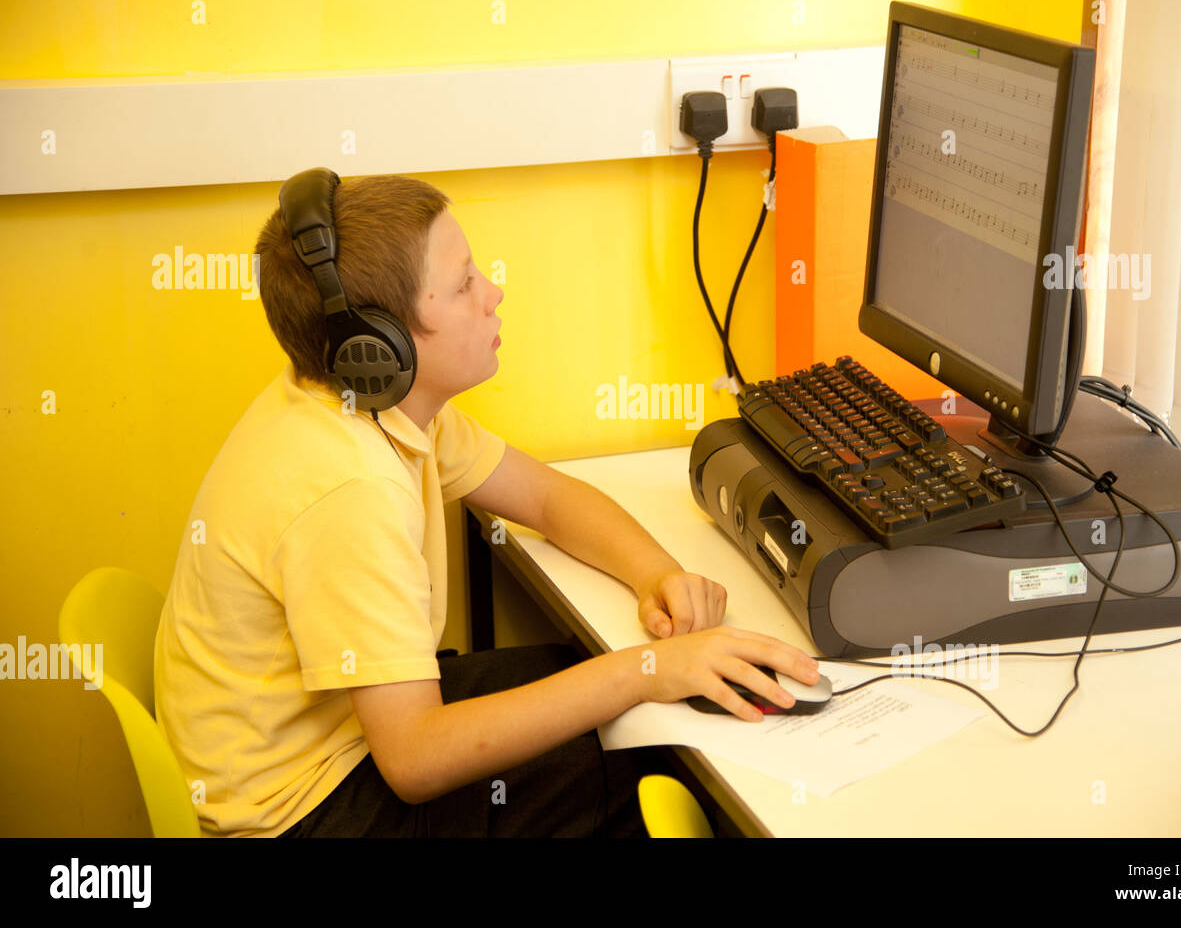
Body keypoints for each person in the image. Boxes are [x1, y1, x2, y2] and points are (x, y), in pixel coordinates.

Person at [153, 171, 821, 837]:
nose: (494, 293)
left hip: (341, 740)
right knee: (657, 760)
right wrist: (648, 669)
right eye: (466, 281)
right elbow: (415, 758)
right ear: (380, 346)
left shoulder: (377, 404)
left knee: (603, 689)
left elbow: (548, 497)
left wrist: (657, 574)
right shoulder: (350, 485)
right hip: (303, 811)